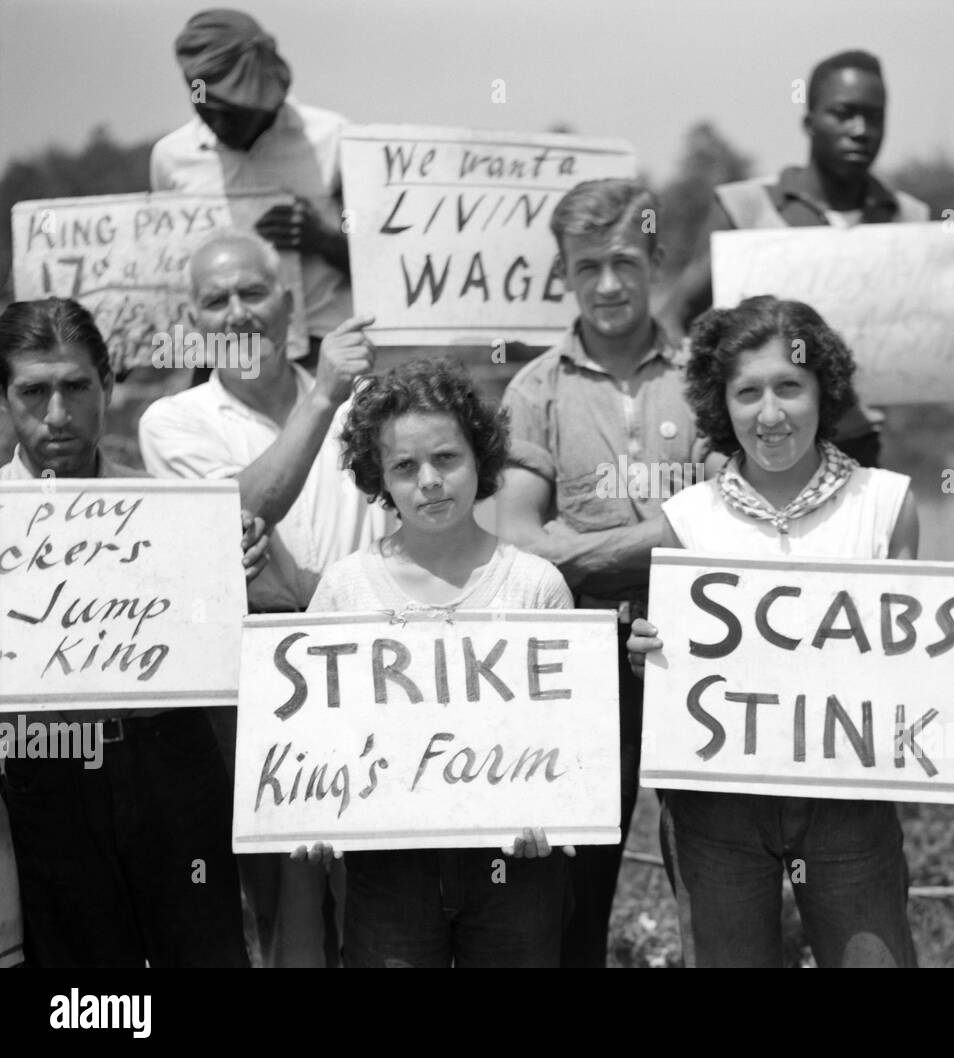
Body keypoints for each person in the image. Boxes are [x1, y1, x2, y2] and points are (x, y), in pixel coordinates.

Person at [628, 295, 921, 967]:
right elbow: (678, 656)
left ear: (825, 389)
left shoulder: (887, 504)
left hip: (849, 799)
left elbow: (916, 660)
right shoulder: (686, 519)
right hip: (718, 810)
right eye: (747, 392)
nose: (770, 413)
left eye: (790, 386)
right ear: (718, 403)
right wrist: (655, 657)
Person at [138, 229, 386, 967]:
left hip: (376, 666)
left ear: (290, 303)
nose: (238, 313)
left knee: (384, 884)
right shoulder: (172, 421)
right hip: (254, 687)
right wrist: (324, 400)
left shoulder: (371, 401)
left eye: (253, 293)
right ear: (193, 323)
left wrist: (298, 585)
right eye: (216, 301)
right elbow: (241, 513)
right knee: (286, 893)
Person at [0, 296, 268, 967]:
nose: (57, 415)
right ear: (3, 398)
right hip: (46, 767)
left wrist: (232, 574)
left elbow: (219, 647)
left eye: (76, 387)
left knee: (205, 955)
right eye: (34, 392)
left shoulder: (170, 512)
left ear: (108, 384)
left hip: (170, 761)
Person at [494, 178, 718, 966]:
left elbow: (720, 527)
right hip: (583, 656)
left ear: (658, 259)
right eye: (587, 266)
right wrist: (666, 533)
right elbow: (518, 539)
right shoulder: (536, 389)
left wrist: (582, 547)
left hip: (699, 645)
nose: (609, 284)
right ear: (563, 272)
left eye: (625, 261)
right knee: (574, 873)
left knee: (712, 870)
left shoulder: (704, 377)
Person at [296, 357, 576, 967]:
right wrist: (309, 814)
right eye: (404, 466)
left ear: (480, 458)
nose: (429, 480)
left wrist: (553, 811)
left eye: (446, 458)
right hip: (388, 866)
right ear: (379, 480)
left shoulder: (537, 586)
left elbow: (566, 733)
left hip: (515, 865)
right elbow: (312, 731)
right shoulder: (346, 589)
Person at [662, 48, 954, 467]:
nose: (860, 129)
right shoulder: (745, 208)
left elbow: (934, 339)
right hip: (753, 447)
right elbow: (676, 316)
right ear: (809, 122)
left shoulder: (907, 218)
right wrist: (707, 415)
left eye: (874, 116)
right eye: (843, 113)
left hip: (857, 446)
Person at [151, 8, 352, 376]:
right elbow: (166, 269)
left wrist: (323, 239)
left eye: (239, 115)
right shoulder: (171, 157)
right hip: (218, 355)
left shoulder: (333, 139)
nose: (222, 125)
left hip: (322, 351)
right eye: (211, 111)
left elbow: (384, 265)